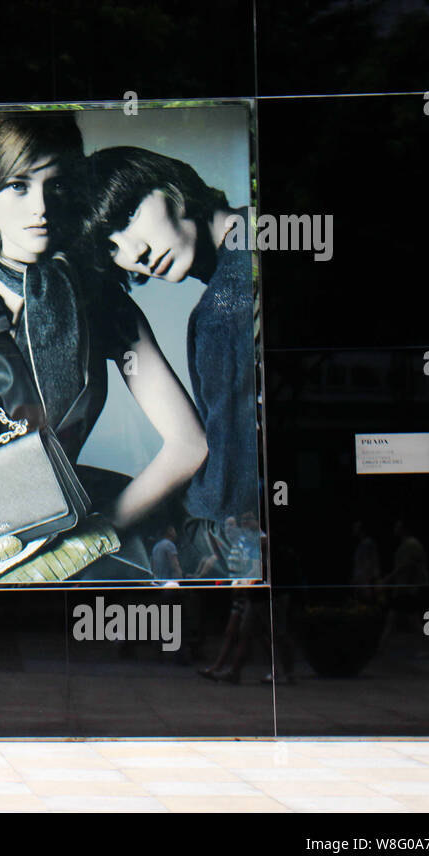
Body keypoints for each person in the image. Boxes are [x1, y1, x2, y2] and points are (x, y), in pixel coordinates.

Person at [0, 112, 208, 583]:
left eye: (57, 184)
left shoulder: (104, 303)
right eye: (18, 186)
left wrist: (104, 528)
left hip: (71, 536)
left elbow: (189, 444)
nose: (40, 207)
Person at [75, 147, 256, 581]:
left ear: (171, 186)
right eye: (111, 245)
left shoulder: (221, 311)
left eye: (130, 215)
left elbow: (229, 494)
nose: (133, 252)